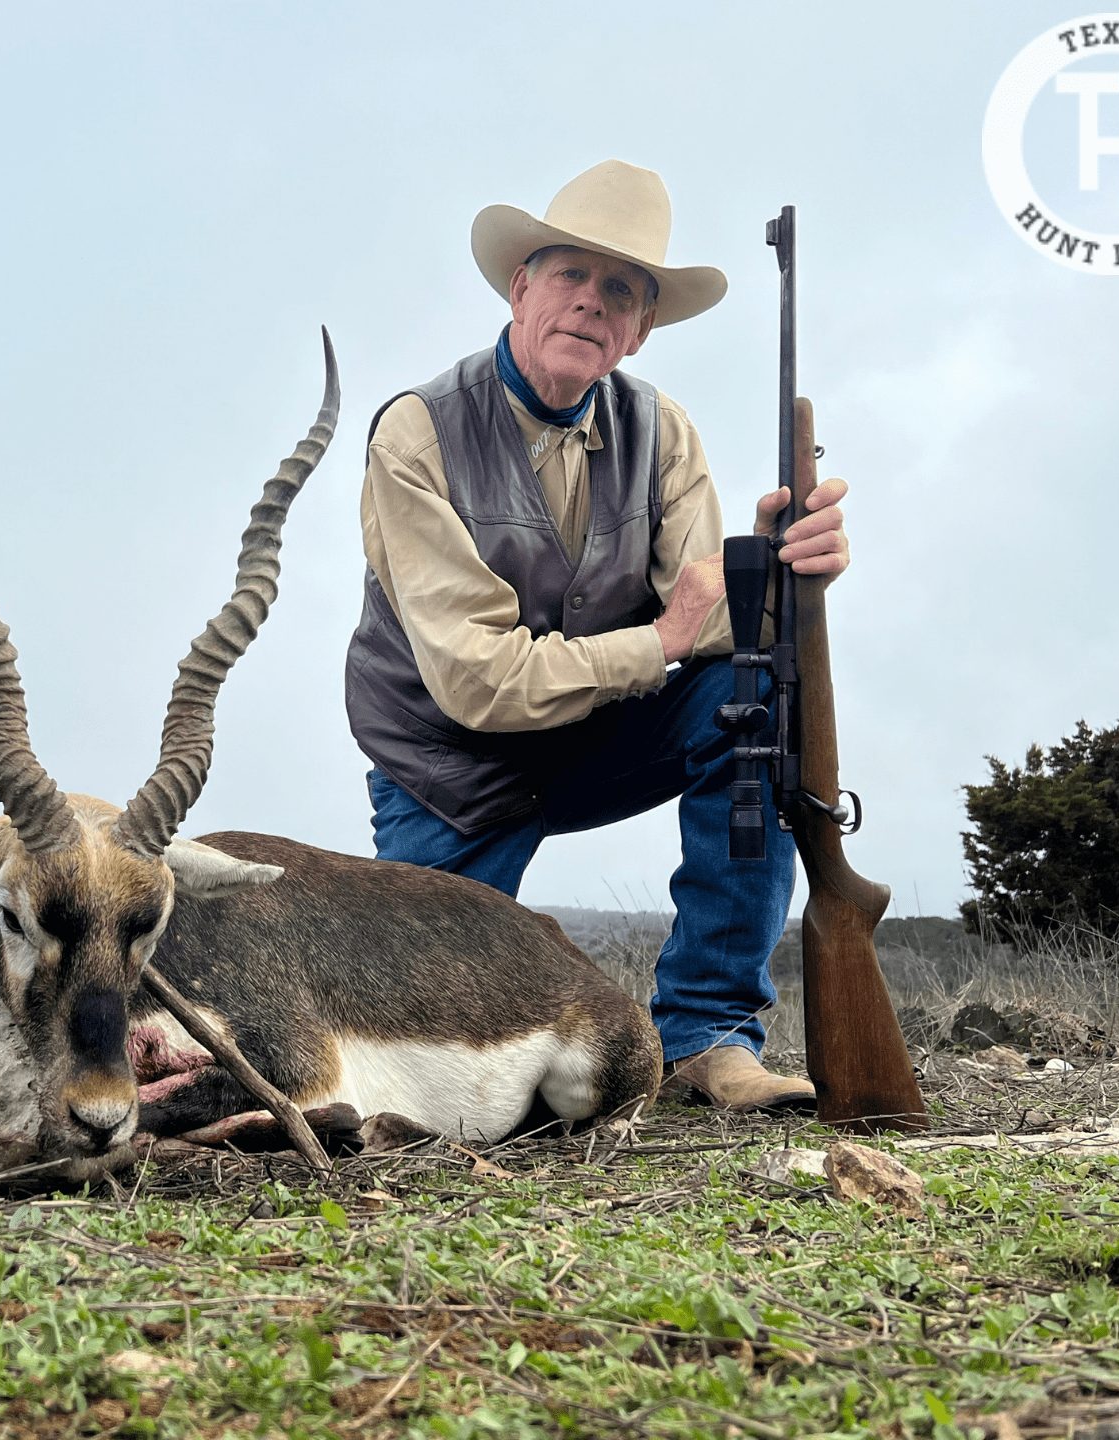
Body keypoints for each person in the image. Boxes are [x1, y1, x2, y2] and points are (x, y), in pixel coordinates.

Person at [344, 159, 851, 1113]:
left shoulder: (662, 431)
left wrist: (787, 575)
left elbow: (714, 637)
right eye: (571, 275)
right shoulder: (414, 435)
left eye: (619, 290)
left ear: (640, 329)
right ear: (519, 286)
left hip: (598, 728)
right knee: (410, 1046)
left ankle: (706, 1034)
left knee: (754, 699)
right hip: (453, 760)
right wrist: (661, 639)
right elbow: (480, 684)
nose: (590, 303)